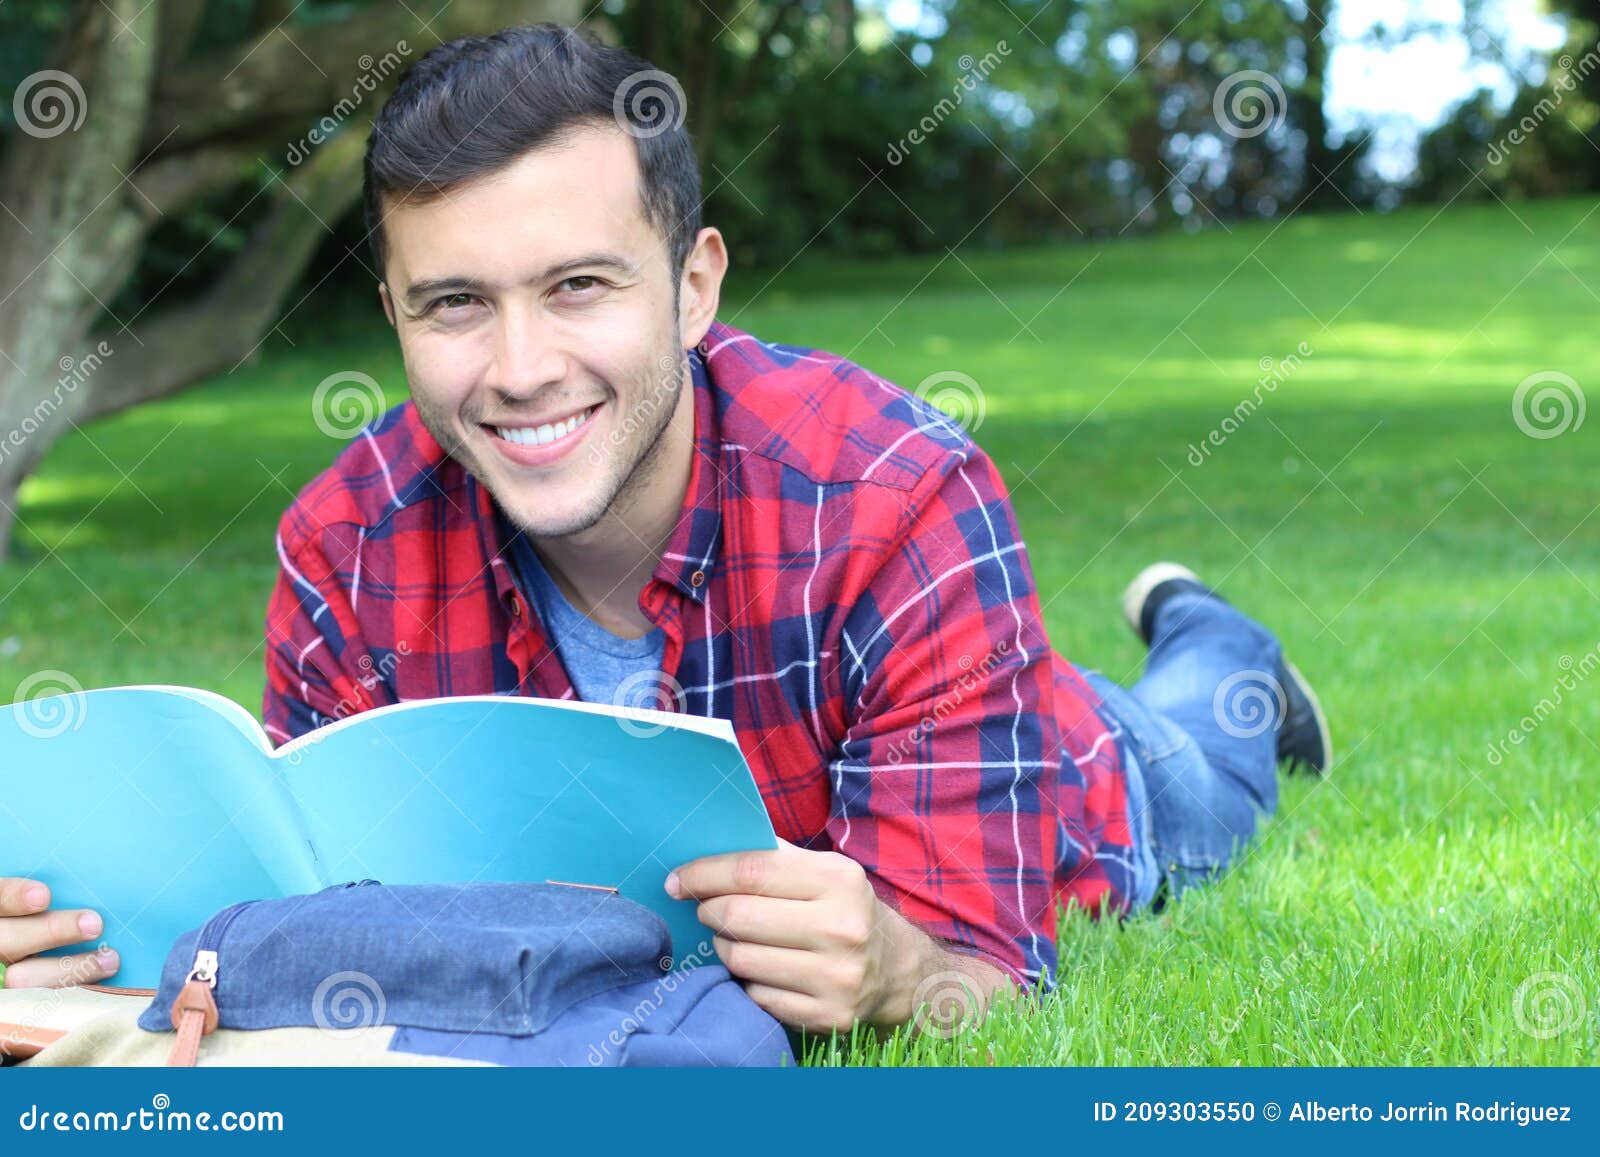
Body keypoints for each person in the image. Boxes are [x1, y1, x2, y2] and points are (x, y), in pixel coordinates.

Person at [0, 24, 1330, 1036]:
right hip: (931, 713)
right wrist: (98, 944)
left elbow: (979, 978)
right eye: (456, 304)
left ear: (694, 287)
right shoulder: (343, 547)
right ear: (397, 316)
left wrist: (896, 966)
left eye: (579, 287)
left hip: (1091, 774)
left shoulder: (902, 500)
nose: (520, 368)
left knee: (1203, 747)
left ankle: (1224, 650)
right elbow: (335, 922)